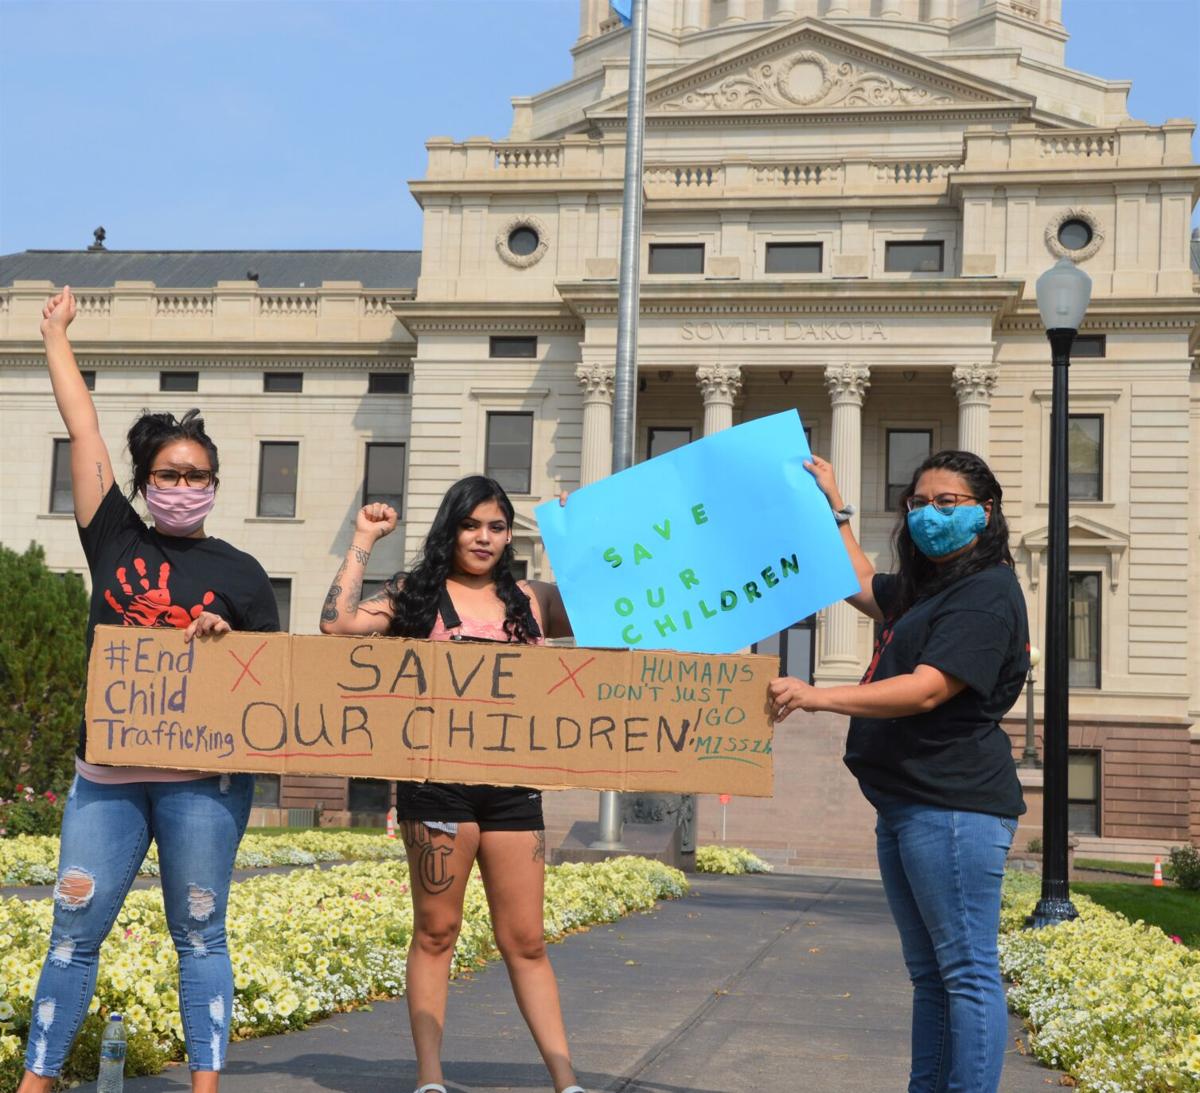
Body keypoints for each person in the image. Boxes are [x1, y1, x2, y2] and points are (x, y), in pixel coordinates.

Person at [21, 288, 280, 1093]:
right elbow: (83, 425)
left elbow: (271, 689)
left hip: (202, 785)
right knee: (72, 931)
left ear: (215, 483)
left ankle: (204, 1086)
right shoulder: (113, 536)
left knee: (201, 930)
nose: (184, 483)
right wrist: (57, 336)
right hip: (106, 776)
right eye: (169, 472)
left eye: (199, 474)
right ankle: (36, 1078)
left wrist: (224, 643)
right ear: (143, 480)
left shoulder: (241, 575)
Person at [769, 449, 1028, 1093]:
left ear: (985, 511)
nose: (930, 515)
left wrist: (816, 693)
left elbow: (927, 689)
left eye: (949, 503)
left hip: (954, 806)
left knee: (966, 972)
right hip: (909, 803)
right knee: (932, 976)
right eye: (919, 504)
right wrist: (835, 508)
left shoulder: (987, 592)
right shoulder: (934, 588)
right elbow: (858, 584)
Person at [318, 475, 585, 1093]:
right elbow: (338, 625)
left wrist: (573, 534)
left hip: (515, 786)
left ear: (509, 534)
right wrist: (363, 536)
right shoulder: (416, 595)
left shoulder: (532, 599)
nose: (484, 538)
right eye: (471, 525)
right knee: (436, 932)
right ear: (450, 529)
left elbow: (611, 602)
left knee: (526, 939)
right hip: (435, 786)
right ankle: (430, 1079)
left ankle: (566, 1081)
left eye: (497, 526)